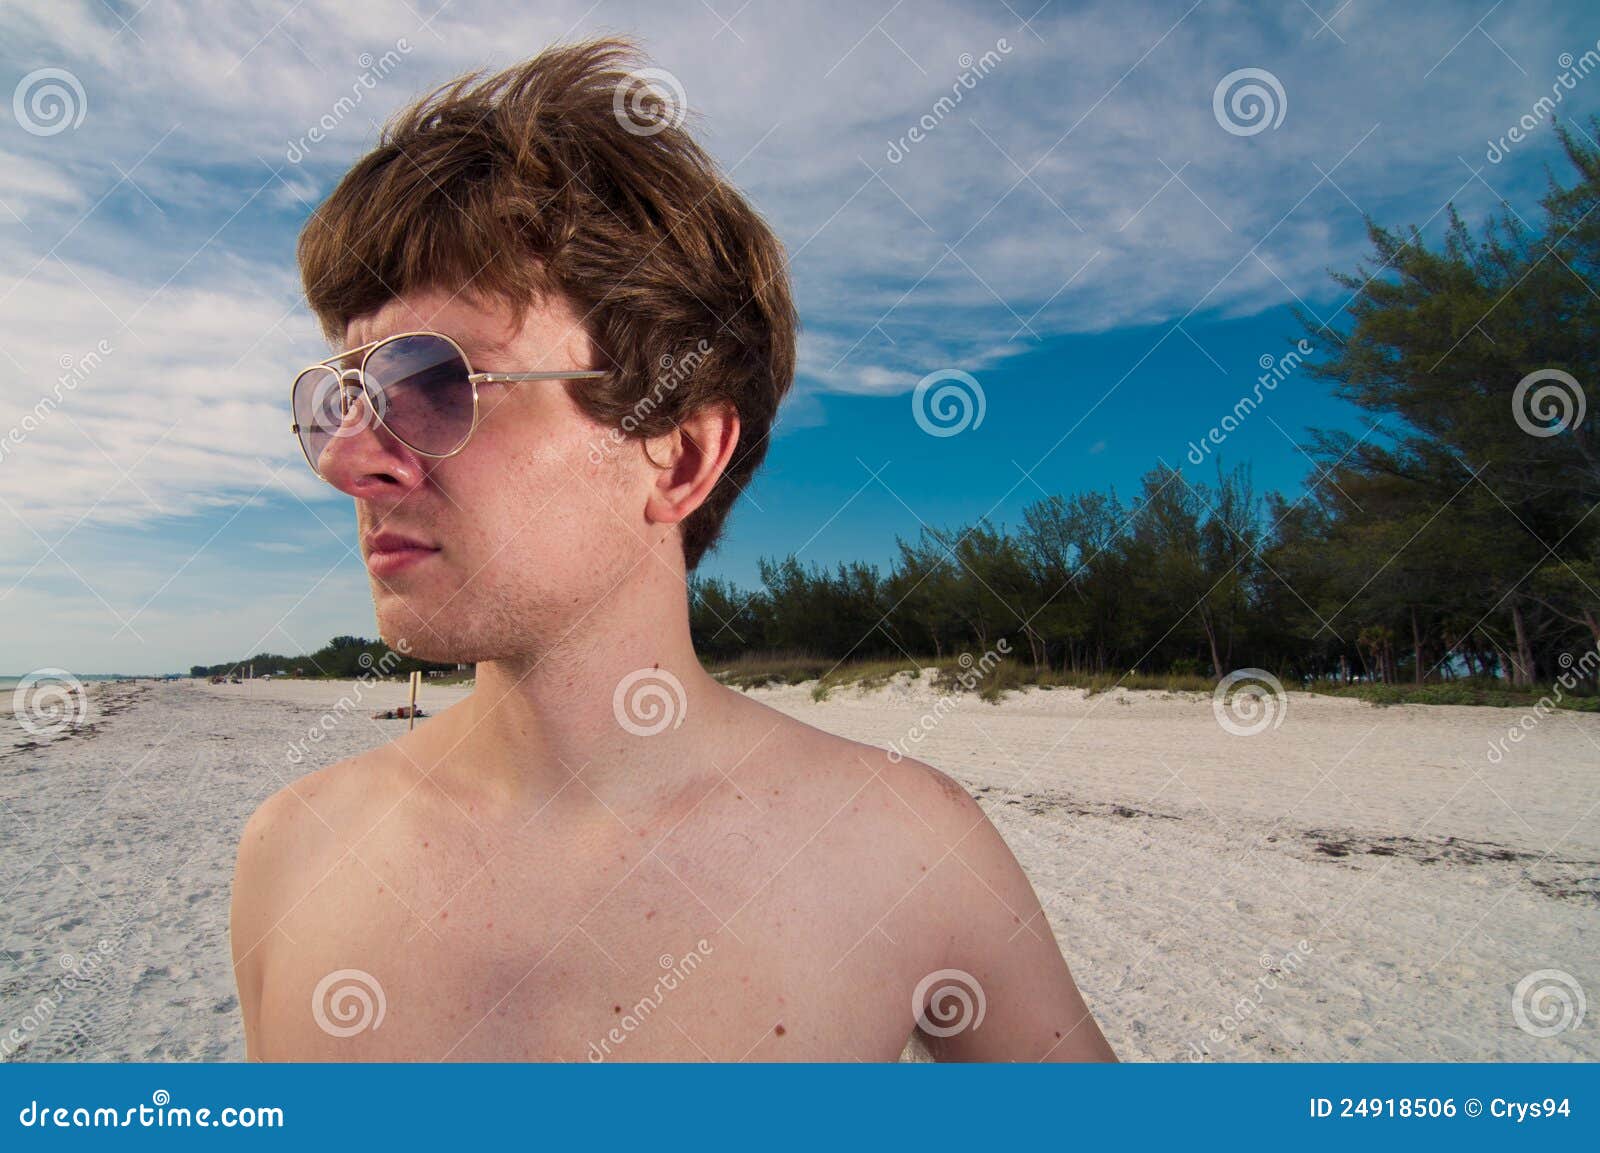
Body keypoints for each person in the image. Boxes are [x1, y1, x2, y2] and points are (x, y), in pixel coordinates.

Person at [231, 37, 1115, 1063]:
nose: (349, 459)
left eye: (434, 382)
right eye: (345, 398)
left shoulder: (907, 852)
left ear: (681, 454)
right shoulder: (293, 854)